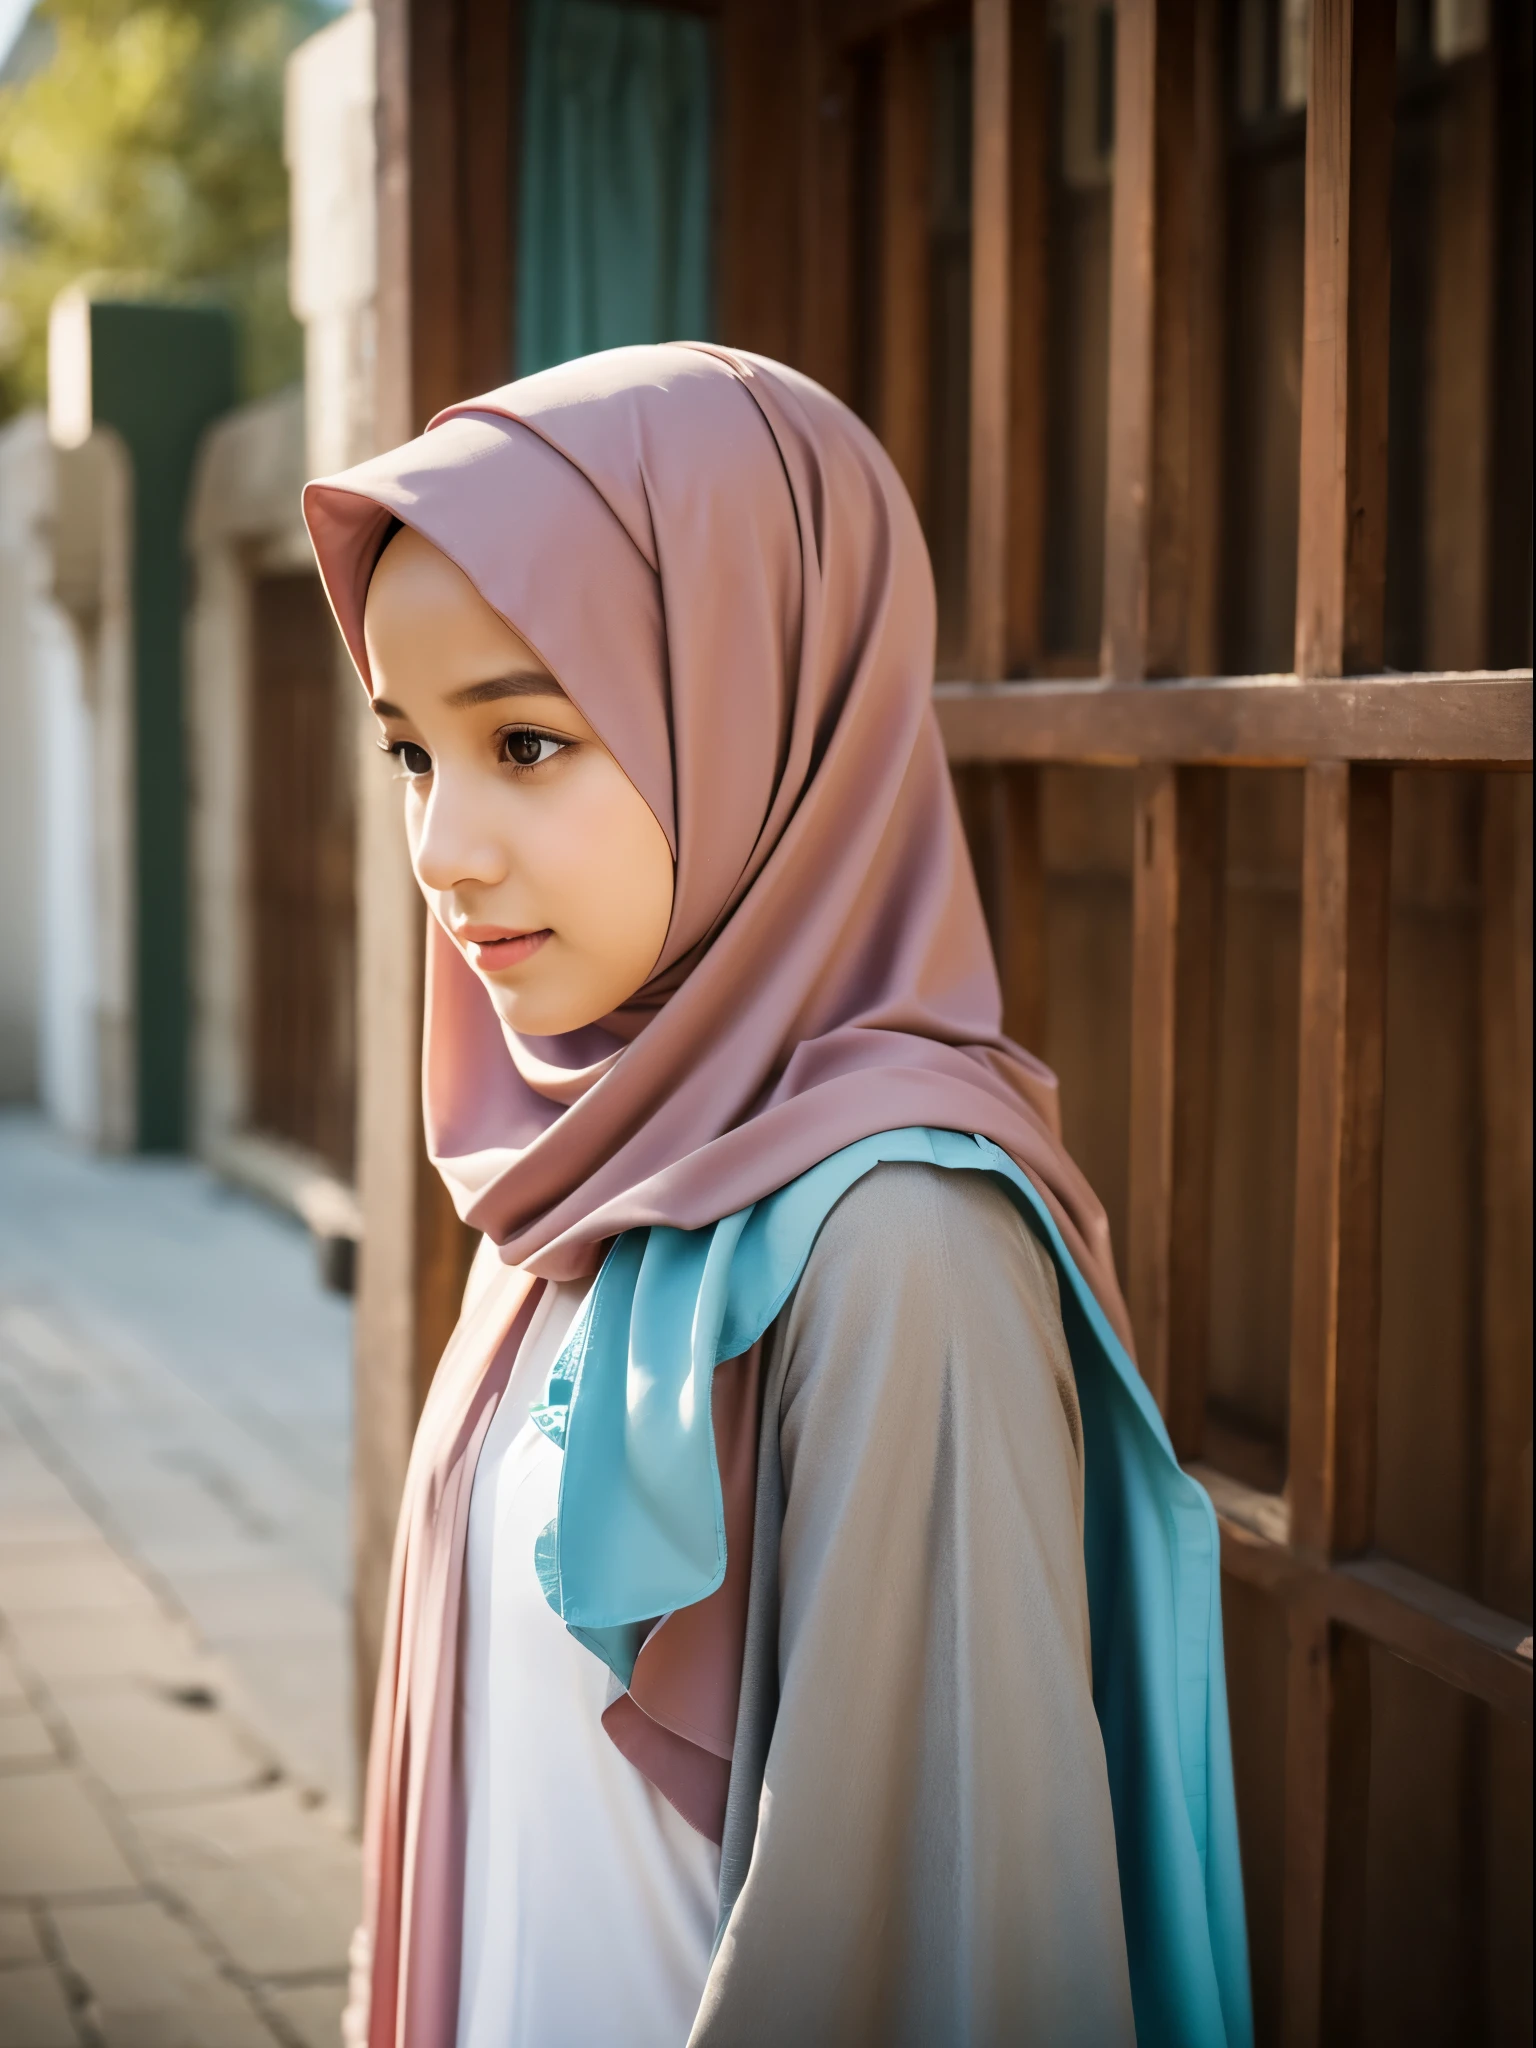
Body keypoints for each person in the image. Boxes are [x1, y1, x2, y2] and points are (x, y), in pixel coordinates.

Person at [303, 344, 1252, 2048]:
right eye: (411, 754)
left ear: (761, 716)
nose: (442, 847)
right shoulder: (572, 1184)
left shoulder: (899, 1250)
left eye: (525, 739)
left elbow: (933, 1961)